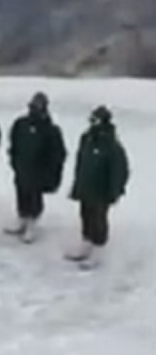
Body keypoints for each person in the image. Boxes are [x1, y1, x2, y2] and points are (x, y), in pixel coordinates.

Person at [65, 106, 130, 268]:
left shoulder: (112, 146)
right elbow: (81, 163)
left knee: (98, 219)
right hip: (86, 186)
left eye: (95, 120)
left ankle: (99, 248)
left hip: (102, 191)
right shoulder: (86, 139)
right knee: (85, 214)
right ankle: (86, 242)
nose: (91, 123)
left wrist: (114, 191)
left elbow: (119, 170)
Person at [4, 92, 66, 243]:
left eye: (38, 106)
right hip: (22, 167)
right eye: (33, 106)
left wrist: (51, 172)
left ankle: (32, 222)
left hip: (39, 171)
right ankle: (22, 218)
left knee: (34, 196)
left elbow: (58, 153)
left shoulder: (51, 130)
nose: (35, 109)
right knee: (21, 191)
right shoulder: (21, 124)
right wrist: (14, 159)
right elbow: (13, 141)